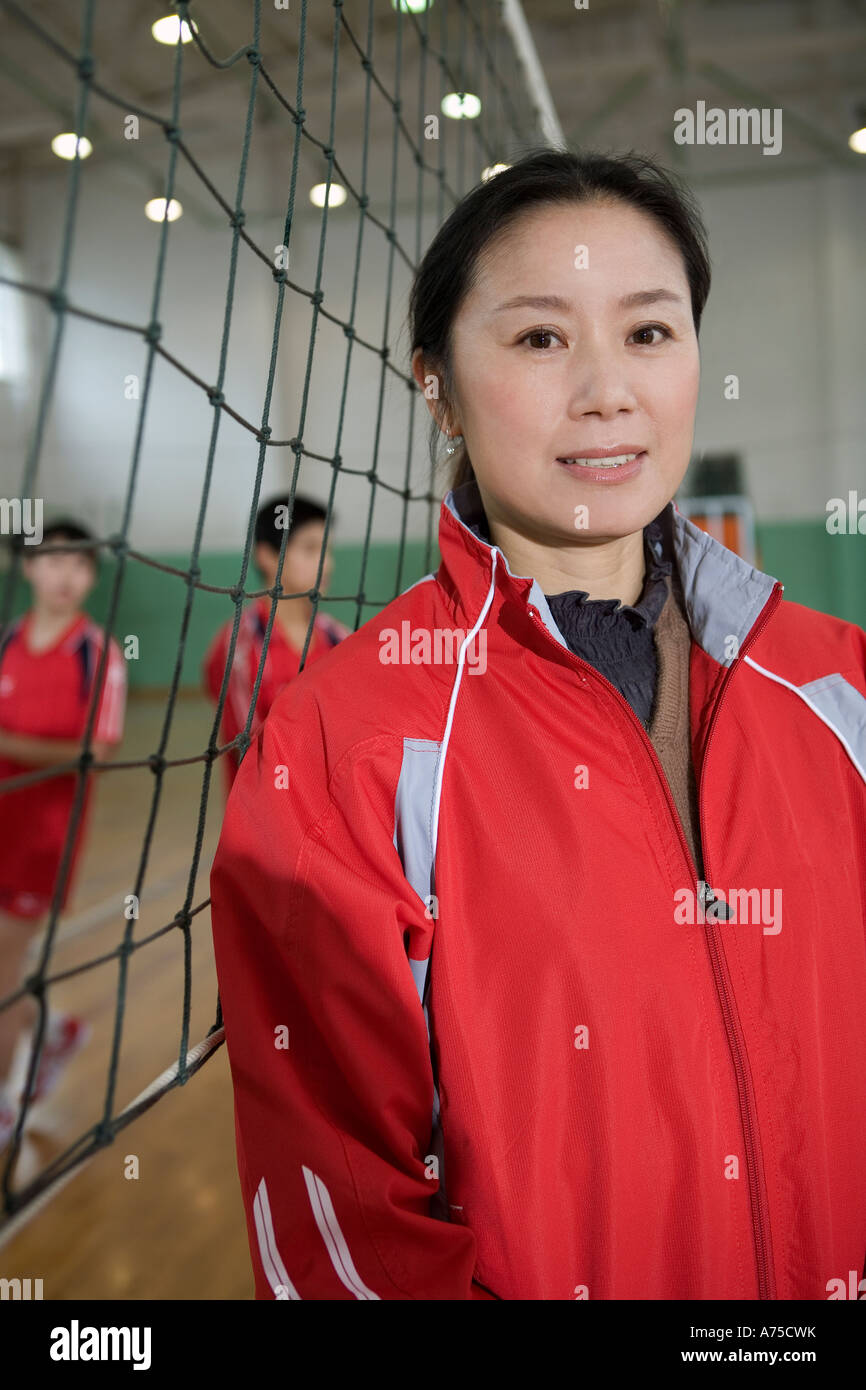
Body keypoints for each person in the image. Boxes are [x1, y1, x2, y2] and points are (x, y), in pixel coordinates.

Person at [208, 149, 866, 1300]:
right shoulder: (341, 745)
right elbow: (339, 1222)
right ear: (436, 385)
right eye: (538, 338)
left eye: (649, 333)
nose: (607, 389)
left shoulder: (835, 686)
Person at [0, 520, 127, 1151]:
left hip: (43, 842)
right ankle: (52, 1031)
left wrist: (9, 746)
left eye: (79, 564)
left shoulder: (97, 653)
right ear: (27, 568)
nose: (64, 575)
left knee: (1, 971)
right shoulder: (4, 644)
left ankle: (4, 1105)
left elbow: (96, 749)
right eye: (51, 560)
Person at [202, 494, 350, 798]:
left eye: (328, 550)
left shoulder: (341, 640)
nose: (327, 563)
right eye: (310, 549)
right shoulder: (239, 648)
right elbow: (253, 753)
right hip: (266, 820)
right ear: (267, 556)